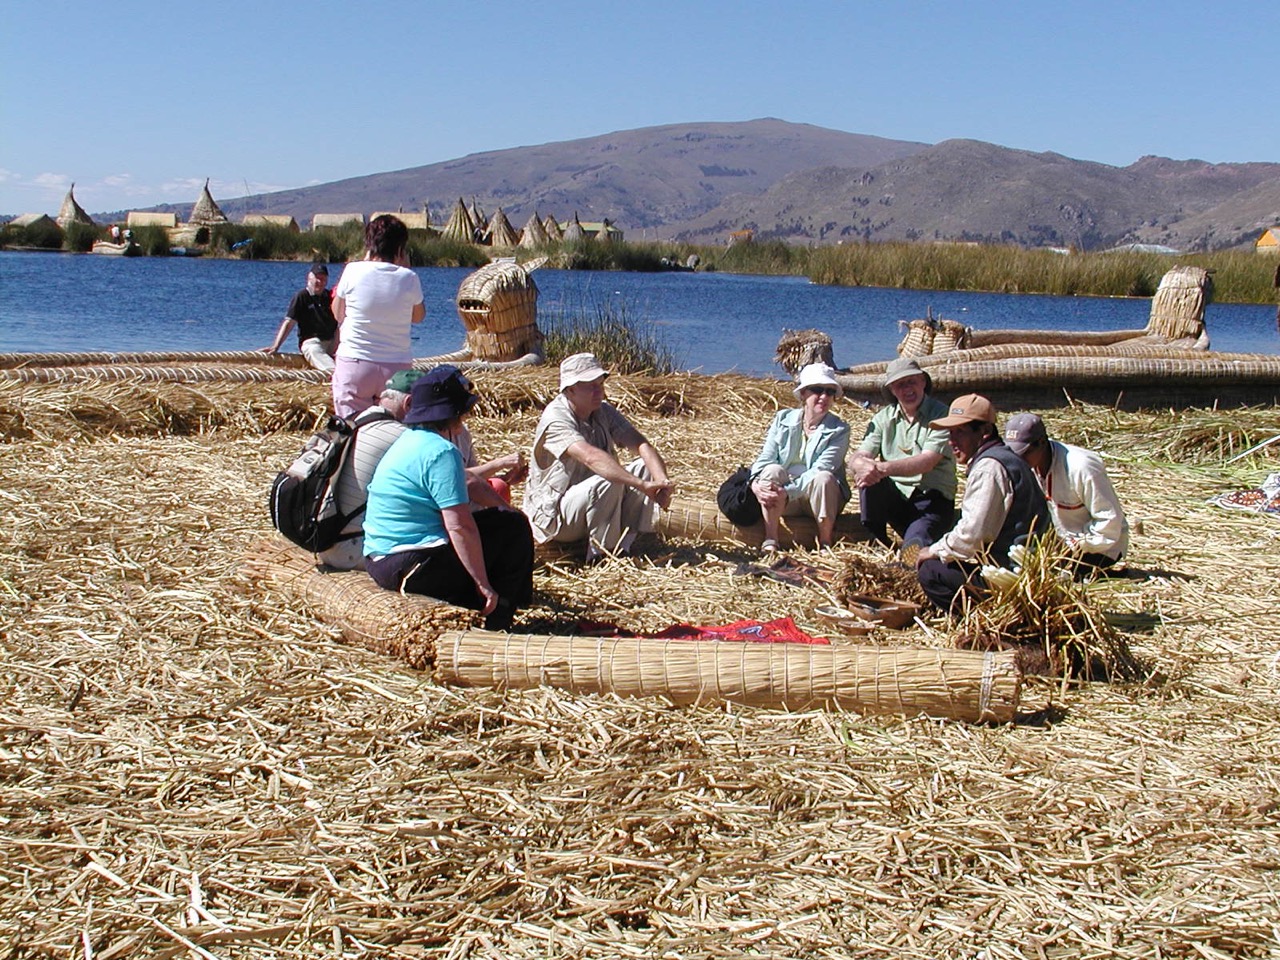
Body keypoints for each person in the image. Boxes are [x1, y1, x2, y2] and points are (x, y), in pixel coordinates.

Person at [363, 367, 534, 631]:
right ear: (453, 415)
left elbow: (468, 486)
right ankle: (497, 618)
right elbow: (459, 526)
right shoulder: (442, 451)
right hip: (410, 566)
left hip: (379, 559)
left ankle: (489, 605)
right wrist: (483, 583)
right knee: (513, 528)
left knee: (501, 521)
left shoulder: (409, 440)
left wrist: (500, 508)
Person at [524, 352, 675, 561]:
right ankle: (601, 556)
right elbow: (590, 457)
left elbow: (640, 444)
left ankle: (624, 545)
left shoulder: (602, 411)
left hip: (598, 502)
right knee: (609, 477)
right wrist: (641, 485)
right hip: (558, 516)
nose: (598, 391)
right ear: (570, 389)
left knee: (643, 466)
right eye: (590, 385)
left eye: (600, 383)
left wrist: (661, 483)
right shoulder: (555, 418)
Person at [915, 394, 1052, 613]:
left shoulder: (989, 467)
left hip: (1014, 576)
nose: (952, 441)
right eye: (950, 433)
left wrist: (932, 550)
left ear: (985, 431)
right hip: (1025, 569)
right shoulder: (1003, 458)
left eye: (960, 432)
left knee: (931, 571)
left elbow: (972, 535)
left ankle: (979, 619)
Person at [846, 357, 956, 552]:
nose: (907, 389)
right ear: (892, 391)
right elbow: (859, 455)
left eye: (911, 382)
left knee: (914, 546)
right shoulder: (883, 419)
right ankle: (876, 539)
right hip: (897, 500)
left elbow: (927, 462)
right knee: (867, 476)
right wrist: (861, 466)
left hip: (930, 501)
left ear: (923, 381)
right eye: (900, 385)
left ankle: (912, 546)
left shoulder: (941, 416)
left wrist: (881, 468)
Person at [1003, 413, 1129, 571]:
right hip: (1056, 546)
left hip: (1098, 548)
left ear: (1041, 442)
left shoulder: (1081, 468)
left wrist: (1073, 547)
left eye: (1024, 453)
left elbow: (1109, 522)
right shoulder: (1025, 466)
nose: (1019, 461)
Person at [748, 362, 851, 551]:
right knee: (772, 470)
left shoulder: (839, 430)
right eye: (817, 390)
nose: (823, 397)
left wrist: (788, 492)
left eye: (829, 392)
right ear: (803, 394)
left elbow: (823, 467)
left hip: (820, 499)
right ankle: (771, 539)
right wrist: (755, 485)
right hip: (784, 499)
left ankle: (825, 541)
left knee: (824, 478)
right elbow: (765, 457)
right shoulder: (782, 419)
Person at [331, 214, 425, 418]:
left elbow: (337, 312)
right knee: (393, 429)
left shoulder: (352, 270)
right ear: (400, 248)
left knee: (351, 428)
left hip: (356, 362)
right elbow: (418, 316)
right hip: (396, 367)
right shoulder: (409, 278)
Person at [260, 263, 339, 372]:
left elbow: (341, 321)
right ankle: (335, 373)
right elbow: (289, 323)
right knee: (313, 350)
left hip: (332, 341)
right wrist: (276, 346)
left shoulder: (329, 296)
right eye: (318, 278)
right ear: (309, 277)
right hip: (312, 341)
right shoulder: (302, 297)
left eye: (324, 279)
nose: (320, 282)